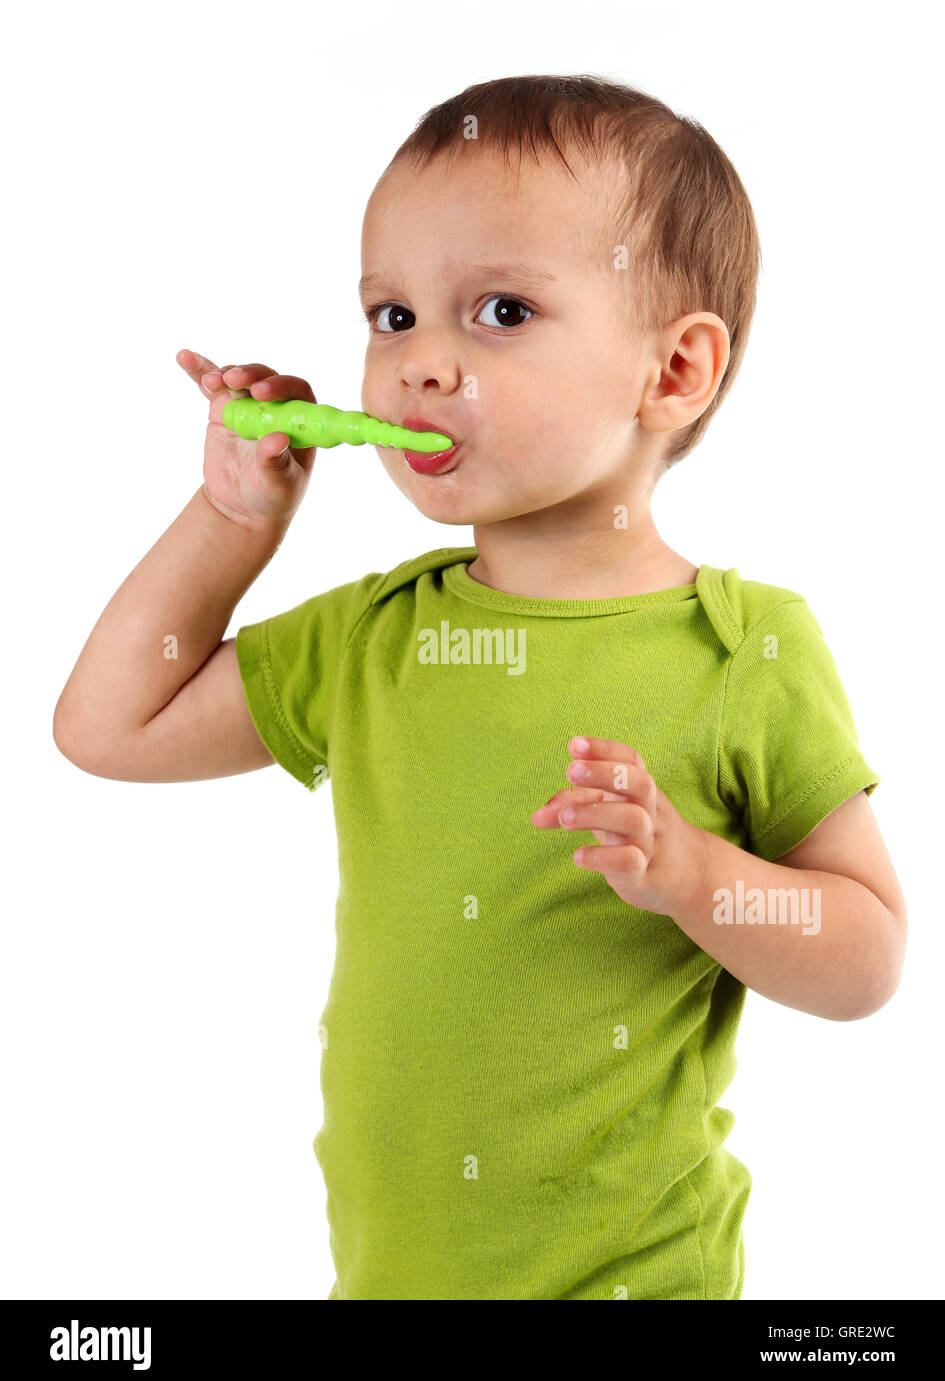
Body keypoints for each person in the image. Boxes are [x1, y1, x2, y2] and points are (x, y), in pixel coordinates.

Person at [53, 73, 907, 1300]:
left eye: (500, 311)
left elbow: (868, 956)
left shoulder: (746, 646)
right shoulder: (377, 636)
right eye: (392, 315)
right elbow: (106, 728)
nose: (419, 366)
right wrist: (233, 519)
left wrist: (695, 877)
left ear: (672, 372)